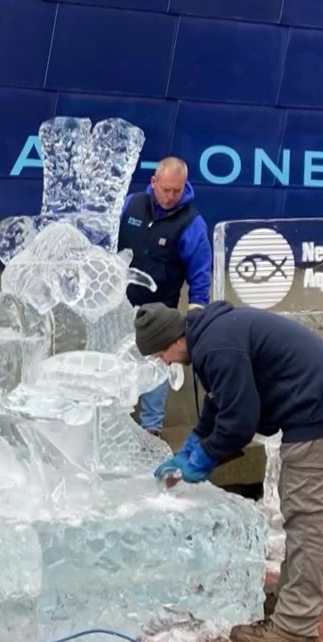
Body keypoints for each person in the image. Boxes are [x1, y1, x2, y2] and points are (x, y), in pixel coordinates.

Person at [133, 301, 323, 642]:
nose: (164, 362)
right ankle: (294, 600)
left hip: (321, 411)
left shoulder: (216, 346)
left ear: (173, 340)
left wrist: (205, 458)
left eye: (160, 354)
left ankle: (295, 628)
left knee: (305, 518)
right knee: (299, 513)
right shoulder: (211, 336)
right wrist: (192, 446)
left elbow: (241, 421)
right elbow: (222, 403)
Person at [118, 157, 212, 437]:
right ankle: (118, 426)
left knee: (157, 366)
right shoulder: (130, 204)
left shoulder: (192, 223)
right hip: (120, 305)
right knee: (118, 367)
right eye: (166, 189)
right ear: (154, 183)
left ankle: (151, 429)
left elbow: (200, 271)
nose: (171, 196)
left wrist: (197, 311)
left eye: (177, 190)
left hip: (161, 311)